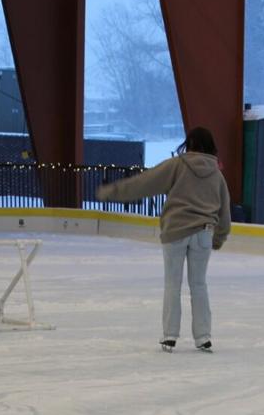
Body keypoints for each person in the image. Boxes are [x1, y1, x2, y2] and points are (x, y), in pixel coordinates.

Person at [97, 126, 232, 352]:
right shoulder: (217, 175)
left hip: (175, 231)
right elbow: (225, 211)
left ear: (188, 144)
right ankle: (203, 337)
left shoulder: (177, 165)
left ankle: (170, 336)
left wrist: (114, 191)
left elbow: (145, 183)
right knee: (199, 285)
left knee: (173, 284)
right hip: (204, 233)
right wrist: (219, 238)